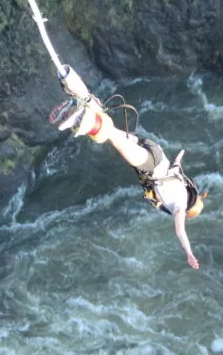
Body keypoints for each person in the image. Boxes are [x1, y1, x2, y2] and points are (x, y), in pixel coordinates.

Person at [59, 95, 206, 269]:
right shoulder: (180, 208)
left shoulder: (183, 185)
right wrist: (189, 253)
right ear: (189, 210)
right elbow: (180, 231)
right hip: (150, 164)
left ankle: (87, 104)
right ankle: (80, 118)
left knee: (112, 131)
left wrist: (182, 153)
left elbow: (176, 163)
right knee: (112, 138)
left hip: (154, 149)